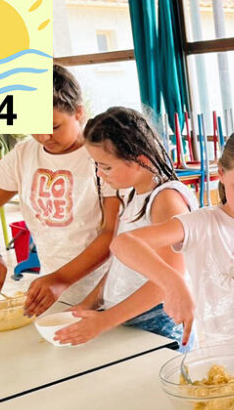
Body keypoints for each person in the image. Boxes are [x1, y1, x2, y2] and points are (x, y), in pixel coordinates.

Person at [110, 124, 234, 386]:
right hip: (221, 373)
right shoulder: (200, 224)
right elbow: (123, 244)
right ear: (221, 174)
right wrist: (173, 282)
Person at [0, 64, 120, 316]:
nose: (44, 136)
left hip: (107, 294)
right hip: (54, 295)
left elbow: (113, 234)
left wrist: (61, 279)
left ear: (79, 113)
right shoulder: (24, 154)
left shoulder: (102, 155)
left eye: (54, 126)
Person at [52, 107, 194, 345]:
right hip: (131, 323)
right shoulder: (135, 194)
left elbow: (168, 282)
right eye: (97, 165)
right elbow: (121, 266)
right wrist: (86, 306)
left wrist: (105, 321)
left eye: (106, 167)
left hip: (159, 327)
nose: (100, 174)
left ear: (140, 160)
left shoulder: (166, 200)